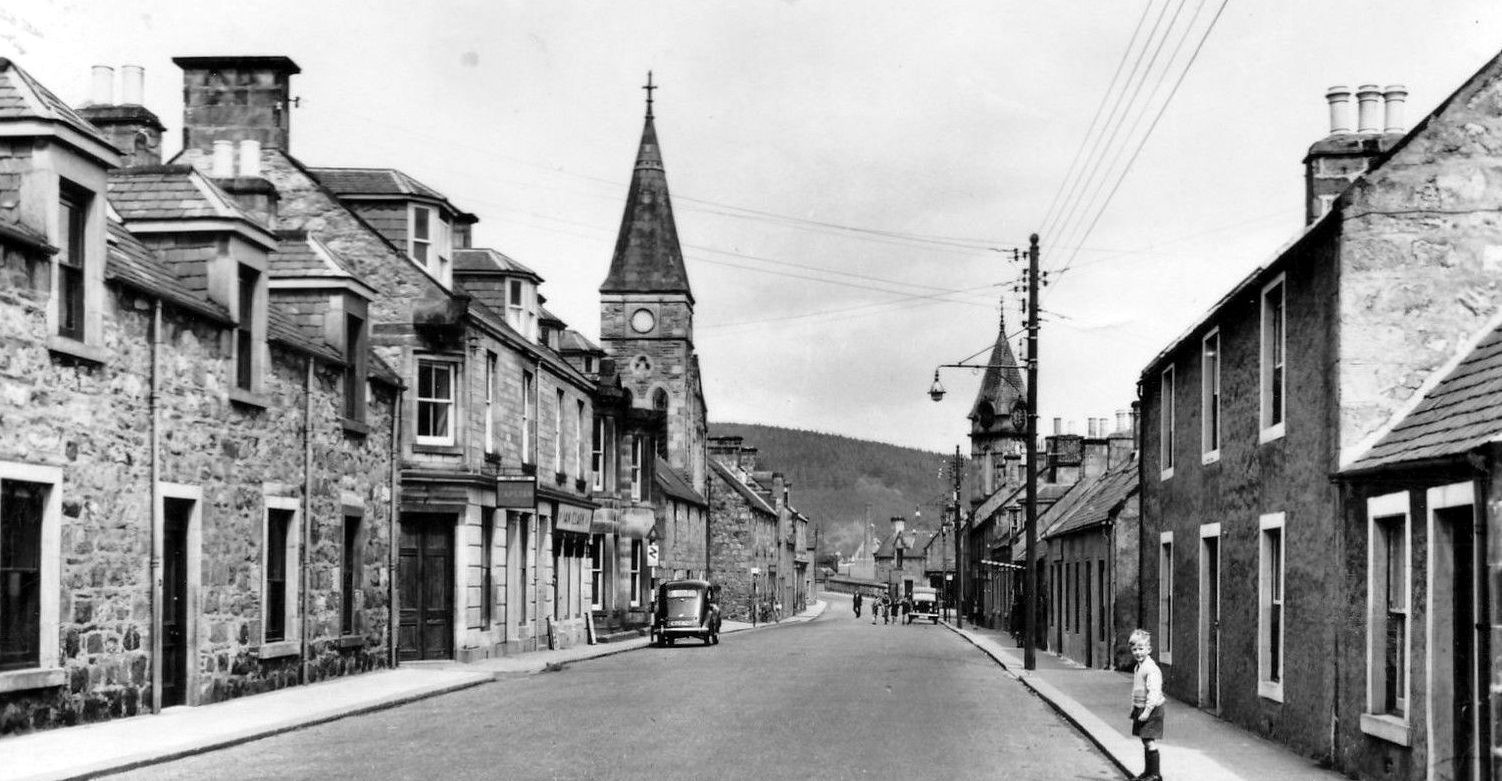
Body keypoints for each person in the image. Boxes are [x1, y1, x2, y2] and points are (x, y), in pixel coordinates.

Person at [1128, 628, 1166, 781]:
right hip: (1141, 708)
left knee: (1149, 740)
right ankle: (1147, 772)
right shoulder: (1138, 667)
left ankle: (1155, 774)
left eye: (1141, 649)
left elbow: (1154, 694)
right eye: (1134, 649)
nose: (1138, 652)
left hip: (1152, 709)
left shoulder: (1151, 669)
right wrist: (1134, 708)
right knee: (1144, 739)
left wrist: (1146, 712)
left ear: (1149, 649)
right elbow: (1136, 690)